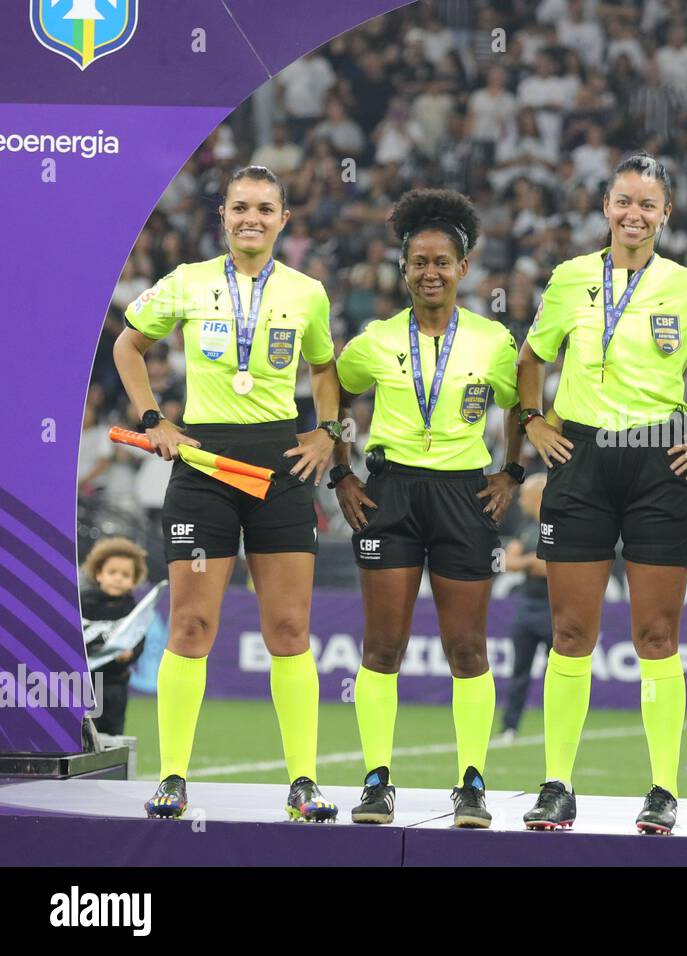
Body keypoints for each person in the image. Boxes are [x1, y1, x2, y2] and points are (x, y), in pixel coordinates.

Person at [515, 152, 687, 834]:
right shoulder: (569, 279)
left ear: (665, 215)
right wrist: (533, 419)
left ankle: (660, 789)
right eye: (624, 201)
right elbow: (531, 358)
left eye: (647, 205)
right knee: (571, 633)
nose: (634, 214)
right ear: (605, 207)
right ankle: (558, 785)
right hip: (583, 458)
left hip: (661, 463)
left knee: (657, 635)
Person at [114, 165, 343, 821]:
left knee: (290, 628)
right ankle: (172, 778)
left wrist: (326, 431)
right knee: (191, 625)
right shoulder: (187, 281)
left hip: (279, 466)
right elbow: (128, 347)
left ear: (283, 219)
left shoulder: (307, 293)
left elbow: (325, 370)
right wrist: (153, 419)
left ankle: (303, 782)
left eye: (265, 208)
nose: (252, 217)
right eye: (241, 206)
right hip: (202, 463)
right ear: (224, 215)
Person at [332, 188, 523, 828]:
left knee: (466, 648)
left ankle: (471, 783)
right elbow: (327, 379)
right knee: (382, 646)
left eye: (442, 261)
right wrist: (340, 471)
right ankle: (377, 780)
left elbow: (523, 401)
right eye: (419, 262)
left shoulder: (494, 341)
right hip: (389, 493)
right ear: (404, 269)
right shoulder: (374, 341)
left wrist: (513, 472)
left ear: (464, 268)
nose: (431, 272)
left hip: (463, 495)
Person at [499, 473, 551, 740]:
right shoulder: (527, 527)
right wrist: (533, 562)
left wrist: (529, 563)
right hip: (528, 605)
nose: (520, 501)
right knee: (519, 670)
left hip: (555, 609)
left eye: (523, 496)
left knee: (555, 674)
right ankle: (509, 726)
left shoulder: (558, 524)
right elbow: (507, 562)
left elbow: (553, 568)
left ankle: (556, 727)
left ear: (537, 496)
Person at [80, 538, 149, 736]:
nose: (118, 578)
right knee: (82, 737)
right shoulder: (83, 603)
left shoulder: (134, 611)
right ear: (99, 573)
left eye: (125, 575)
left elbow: (139, 641)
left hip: (114, 685)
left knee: (112, 736)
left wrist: (131, 654)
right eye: (112, 572)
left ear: (134, 581)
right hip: (84, 684)